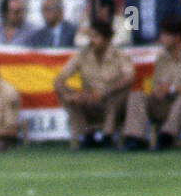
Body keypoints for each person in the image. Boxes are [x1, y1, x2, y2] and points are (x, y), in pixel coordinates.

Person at [122, 15, 181, 150]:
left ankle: (167, 136)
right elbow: (155, 83)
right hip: (164, 104)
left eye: (164, 34)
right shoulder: (161, 58)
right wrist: (158, 90)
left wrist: (172, 89)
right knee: (137, 95)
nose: (160, 38)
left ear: (177, 37)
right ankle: (134, 137)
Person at [55, 19, 135, 149]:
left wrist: (105, 91)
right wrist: (70, 95)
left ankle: (107, 136)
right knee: (64, 92)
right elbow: (59, 79)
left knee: (119, 94)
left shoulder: (120, 56)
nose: (92, 40)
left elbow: (129, 78)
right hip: (89, 100)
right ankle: (85, 135)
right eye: (90, 36)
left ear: (107, 39)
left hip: (111, 99)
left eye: (96, 36)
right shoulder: (83, 55)